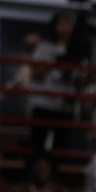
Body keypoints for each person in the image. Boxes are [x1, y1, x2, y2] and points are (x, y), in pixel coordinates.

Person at [29, 11, 74, 152]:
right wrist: (53, 63)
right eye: (61, 24)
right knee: (37, 145)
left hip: (65, 105)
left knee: (61, 148)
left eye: (68, 24)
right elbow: (36, 74)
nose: (64, 28)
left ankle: (57, 173)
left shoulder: (74, 50)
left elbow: (81, 77)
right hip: (44, 103)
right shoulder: (44, 47)